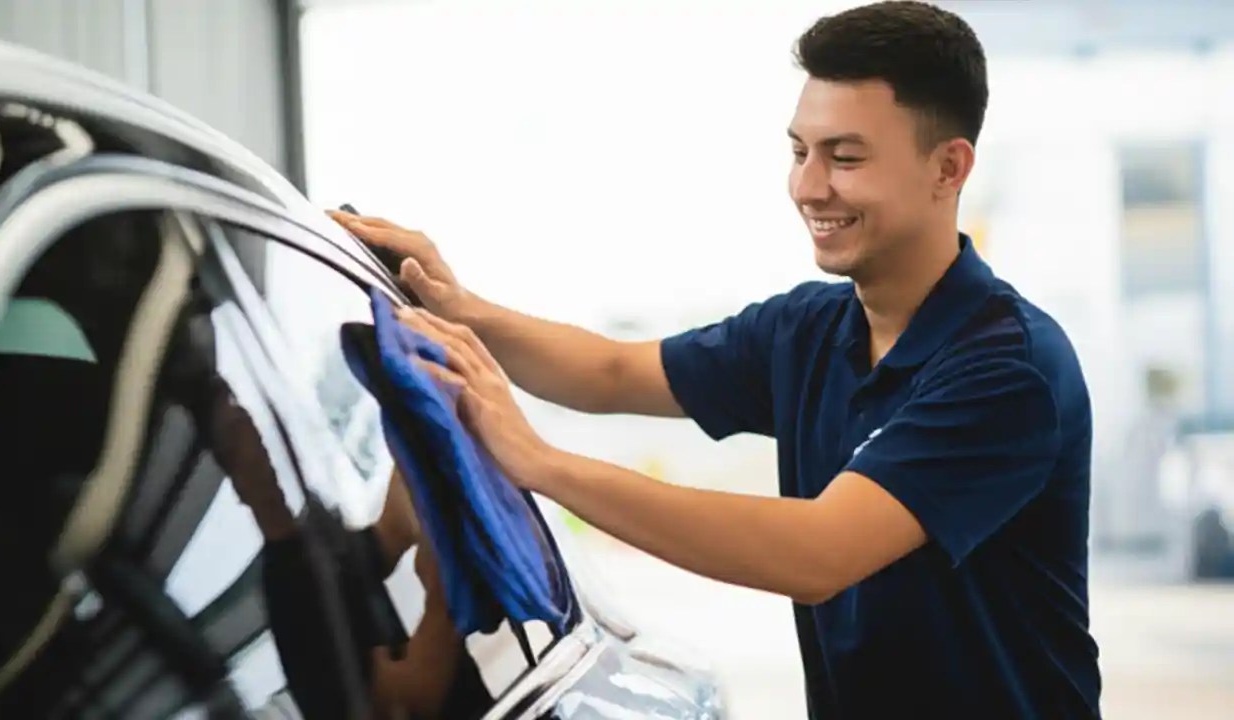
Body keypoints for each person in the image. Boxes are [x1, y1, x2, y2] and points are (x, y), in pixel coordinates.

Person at [331, 1, 1102, 717]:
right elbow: (611, 372)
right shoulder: (808, 328)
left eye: (845, 157)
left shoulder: (1008, 369)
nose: (808, 186)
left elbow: (820, 551)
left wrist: (541, 463)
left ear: (949, 168)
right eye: (800, 151)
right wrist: (460, 307)